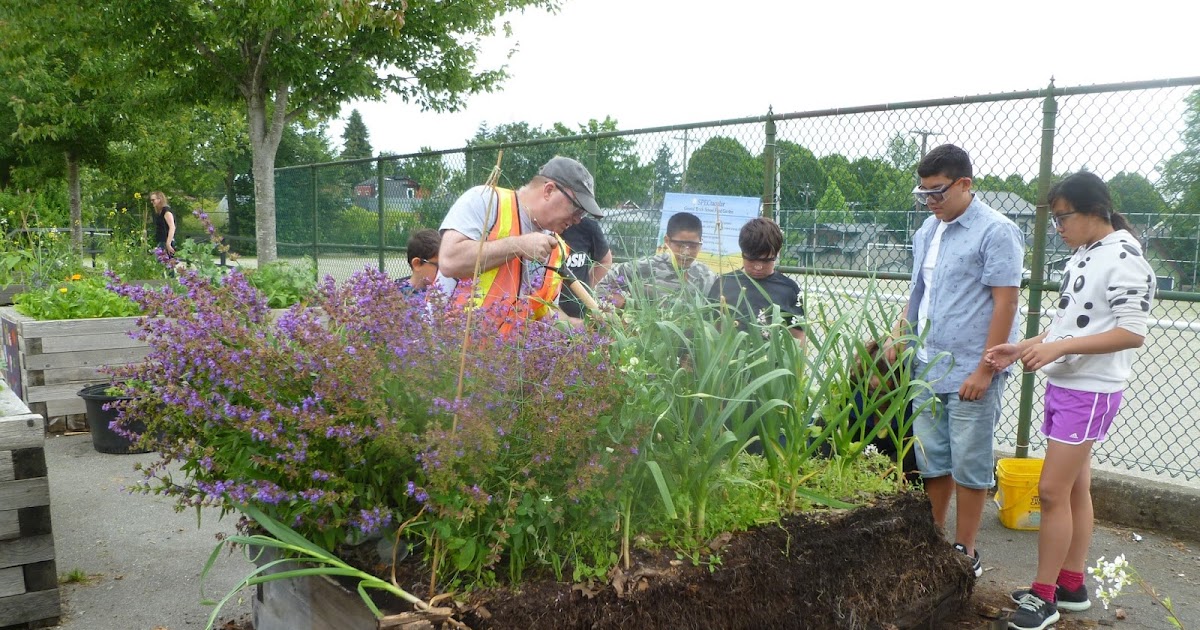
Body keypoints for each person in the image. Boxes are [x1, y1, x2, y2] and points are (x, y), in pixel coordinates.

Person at [986, 172, 1155, 630]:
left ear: (1094, 211)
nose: (1058, 229)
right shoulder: (1084, 254)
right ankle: (1072, 584)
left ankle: (1045, 598)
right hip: (1068, 385)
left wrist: (1059, 349)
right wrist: (1022, 347)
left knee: (1052, 492)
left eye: (1063, 218)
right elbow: (1069, 324)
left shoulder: (1124, 258)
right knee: (1075, 488)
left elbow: (1131, 333)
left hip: (1091, 391)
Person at [886, 144, 1024, 577]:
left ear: (965, 184)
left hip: (971, 368)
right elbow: (918, 294)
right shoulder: (928, 230)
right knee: (933, 458)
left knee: (969, 461)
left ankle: (965, 550)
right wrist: (898, 338)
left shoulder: (996, 231)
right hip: (926, 365)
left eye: (938, 192)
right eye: (924, 193)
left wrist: (986, 368)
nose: (930, 201)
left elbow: (1006, 304)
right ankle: (932, 540)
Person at [436, 156, 603, 328]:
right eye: (577, 209)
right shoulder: (486, 200)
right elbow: (449, 262)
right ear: (549, 191)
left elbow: (543, 315)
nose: (577, 220)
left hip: (499, 353)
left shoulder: (557, 249)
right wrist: (518, 245)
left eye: (583, 214)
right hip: (451, 345)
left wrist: (588, 326)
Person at [708, 217, 804, 342]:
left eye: (766, 260)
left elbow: (798, 336)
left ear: (778, 252)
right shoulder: (724, 283)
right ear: (742, 251)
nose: (758, 267)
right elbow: (711, 328)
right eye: (751, 259)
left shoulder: (788, 289)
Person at [597, 212, 716, 309]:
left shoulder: (707, 277)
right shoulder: (647, 267)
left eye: (693, 246)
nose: (686, 252)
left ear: (701, 243)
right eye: (680, 245)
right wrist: (625, 305)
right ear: (667, 241)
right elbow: (602, 284)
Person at [558, 216, 612, 320]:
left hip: (579, 311)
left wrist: (585, 289)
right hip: (548, 310)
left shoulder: (586, 226)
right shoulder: (544, 229)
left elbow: (605, 260)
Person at [397, 228, 441, 294]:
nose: (445, 272)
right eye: (438, 266)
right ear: (417, 264)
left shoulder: (444, 293)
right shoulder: (394, 297)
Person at [149, 191, 176, 256]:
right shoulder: (159, 212)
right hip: (161, 241)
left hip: (166, 241)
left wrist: (168, 243)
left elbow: (172, 227)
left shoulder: (166, 212)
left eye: (153, 200)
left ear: (159, 199)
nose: (152, 202)